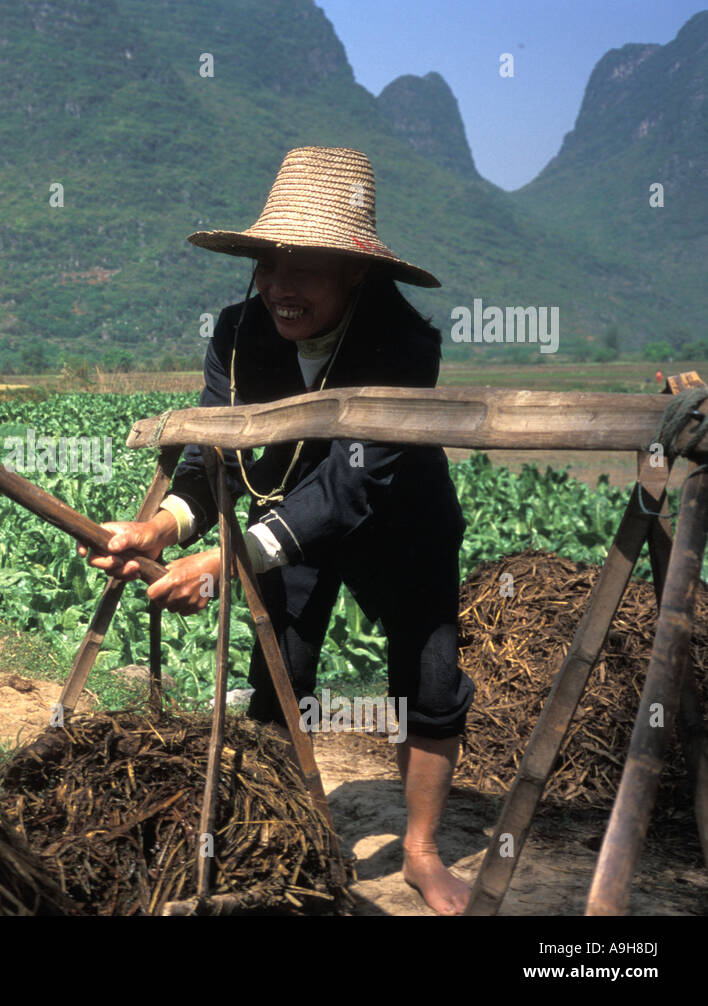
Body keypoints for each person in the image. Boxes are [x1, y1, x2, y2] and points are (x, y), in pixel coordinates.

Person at [81, 147, 475, 915]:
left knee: (427, 681)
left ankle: (422, 850)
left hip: (403, 521)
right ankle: (290, 829)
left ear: (356, 270)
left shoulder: (406, 343)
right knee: (280, 671)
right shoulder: (237, 333)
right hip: (287, 520)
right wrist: (160, 526)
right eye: (268, 262)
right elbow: (212, 458)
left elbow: (354, 480)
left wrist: (225, 561)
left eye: (304, 266)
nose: (278, 286)